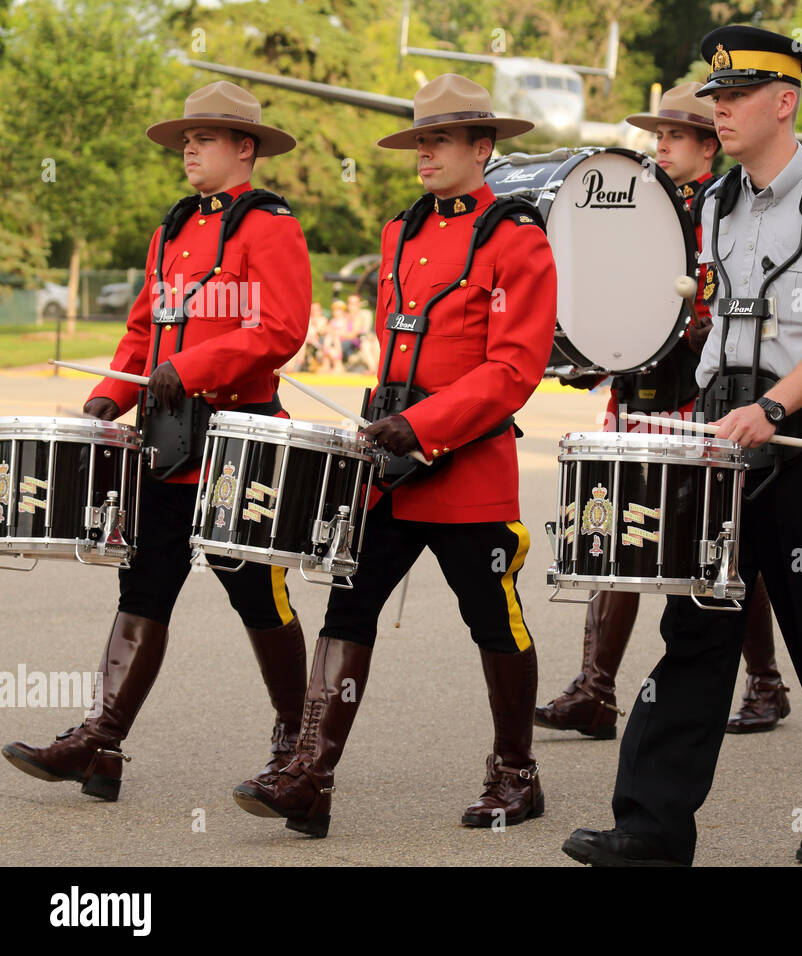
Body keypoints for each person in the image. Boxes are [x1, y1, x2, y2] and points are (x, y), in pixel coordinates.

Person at [564, 25, 802, 866]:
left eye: (735, 96)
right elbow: (709, 326)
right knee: (697, 627)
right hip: (724, 437)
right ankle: (651, 826)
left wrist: (776, 409)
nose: (718, 111)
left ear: (784, 102)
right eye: (713, 97)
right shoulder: (714, 204)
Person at [230, 74, 557, 837]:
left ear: (484, 148)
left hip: (466, 468)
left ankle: (517, 774)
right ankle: (310, 776)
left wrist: (425, 425)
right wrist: (390, 430)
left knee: (491, 618)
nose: (424, 154)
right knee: (348, 608)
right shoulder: (397, 232)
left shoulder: (518, 236)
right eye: (420, 139)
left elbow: (513, 371)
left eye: (440, 140)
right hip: (388, 470)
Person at [2, 81, 312, 801]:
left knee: (255, 594)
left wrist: (189, 369)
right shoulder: (171, 229)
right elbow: (144, 332)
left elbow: (280, 329)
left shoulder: (271, 226)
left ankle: (295, 745)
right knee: (143, 585)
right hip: (165, 442)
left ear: (245, 149)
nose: (188, 150)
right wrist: (109, 396)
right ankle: (100, 741)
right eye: (184, 140)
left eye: (203, 138)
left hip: (240, 443)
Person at [535, 82, 787, 741]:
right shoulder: (641, 206)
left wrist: (704, 330)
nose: (660, 146)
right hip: (636, 395)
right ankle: (595, 689)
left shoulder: (726, 210)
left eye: (675, 136)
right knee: (615, 531)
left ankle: (764, 682)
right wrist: (591, 352)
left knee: (717, 548)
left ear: (709, 146)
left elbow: (742, 304)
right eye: (658, 135)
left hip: (693, 401)